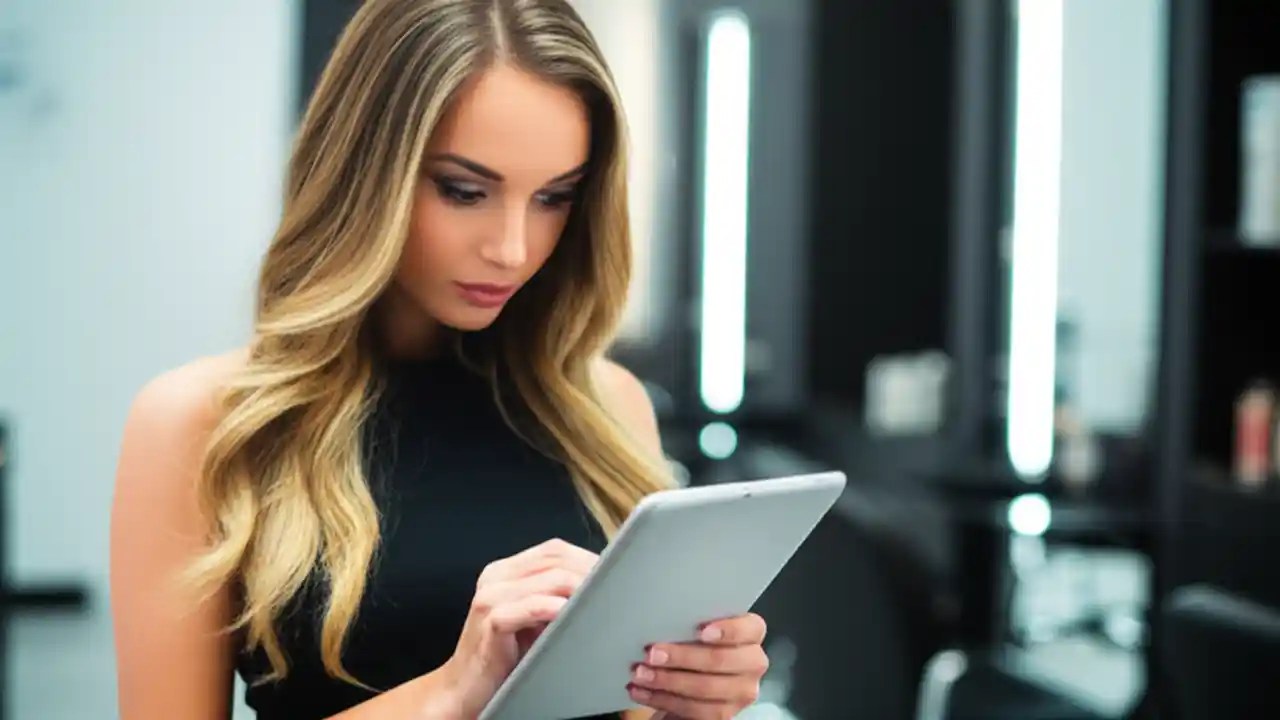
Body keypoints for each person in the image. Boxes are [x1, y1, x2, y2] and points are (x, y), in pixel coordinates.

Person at [108, 1, 770, 718]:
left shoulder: (605, 408)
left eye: (554, 197)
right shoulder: (202, 422)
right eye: (464, 190)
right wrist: (453, 692)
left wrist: (690, 694)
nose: (513, 248)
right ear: (365, 169)